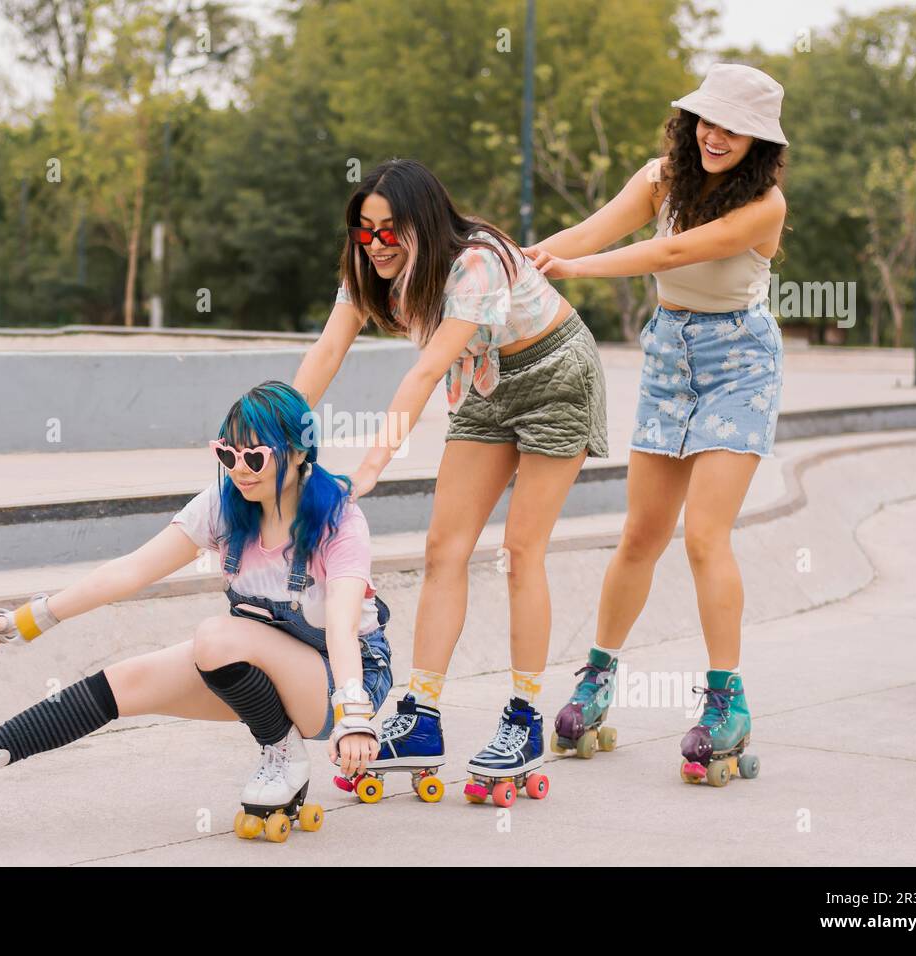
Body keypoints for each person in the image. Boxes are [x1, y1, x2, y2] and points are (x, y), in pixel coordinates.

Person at [0, 381, 394, 846]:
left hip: (341, 681)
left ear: (300, 453)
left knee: (215, 637)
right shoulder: (224, 504)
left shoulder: (339, 520)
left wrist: (353, 718)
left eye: (254, 457)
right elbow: (131, 571)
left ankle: (282, 751)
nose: (239, 470)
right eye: (226, 454)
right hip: (254, 665)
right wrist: (31, 620)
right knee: (126, 681)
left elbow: (345, 626)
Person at [294, 158, 608, 803]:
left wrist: (374, 463)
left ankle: (523, 717)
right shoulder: (365, 270)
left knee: (521, 552)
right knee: (444, 549)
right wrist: (273, 432)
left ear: (424, 224)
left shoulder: (477, 260)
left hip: (556, 376)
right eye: (365, 230)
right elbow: (326, 351)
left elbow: (425, 371)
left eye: (392, 230)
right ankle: (423, 715)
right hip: (487, 385)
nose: (376, 244)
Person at [525, 64, 787, 784]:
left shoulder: (765, 205)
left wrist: (579, 273)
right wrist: (534, 260)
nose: (714, 135)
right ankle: (597, 679)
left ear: (758, 141)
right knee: (641, 533)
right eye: (707, 120)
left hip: (740, 363)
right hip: (671, 356)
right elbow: (592, 228)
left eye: (732, 127)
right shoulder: (661, 176)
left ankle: (726, 701)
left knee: (704, 534)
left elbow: (672, 253)